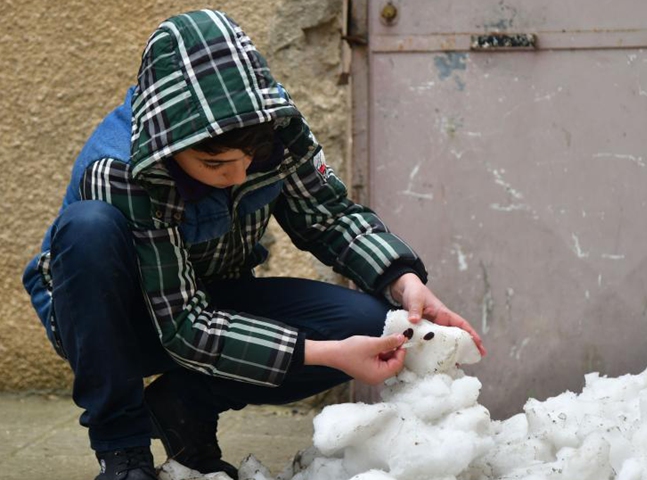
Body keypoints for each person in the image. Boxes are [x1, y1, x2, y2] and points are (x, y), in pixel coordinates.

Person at [22, 9, 485, 480]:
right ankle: (123, 451)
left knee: (369, 322)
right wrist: (320, 353)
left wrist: (403, 281)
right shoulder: (122, 170)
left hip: (210, 297)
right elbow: (182, 326)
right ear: (170, 144)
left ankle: (184, 405)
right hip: (120, 322)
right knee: (88, 228)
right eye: (217, 163)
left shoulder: (274, 131)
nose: (240, 175)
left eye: (252, 158)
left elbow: (328, 217)